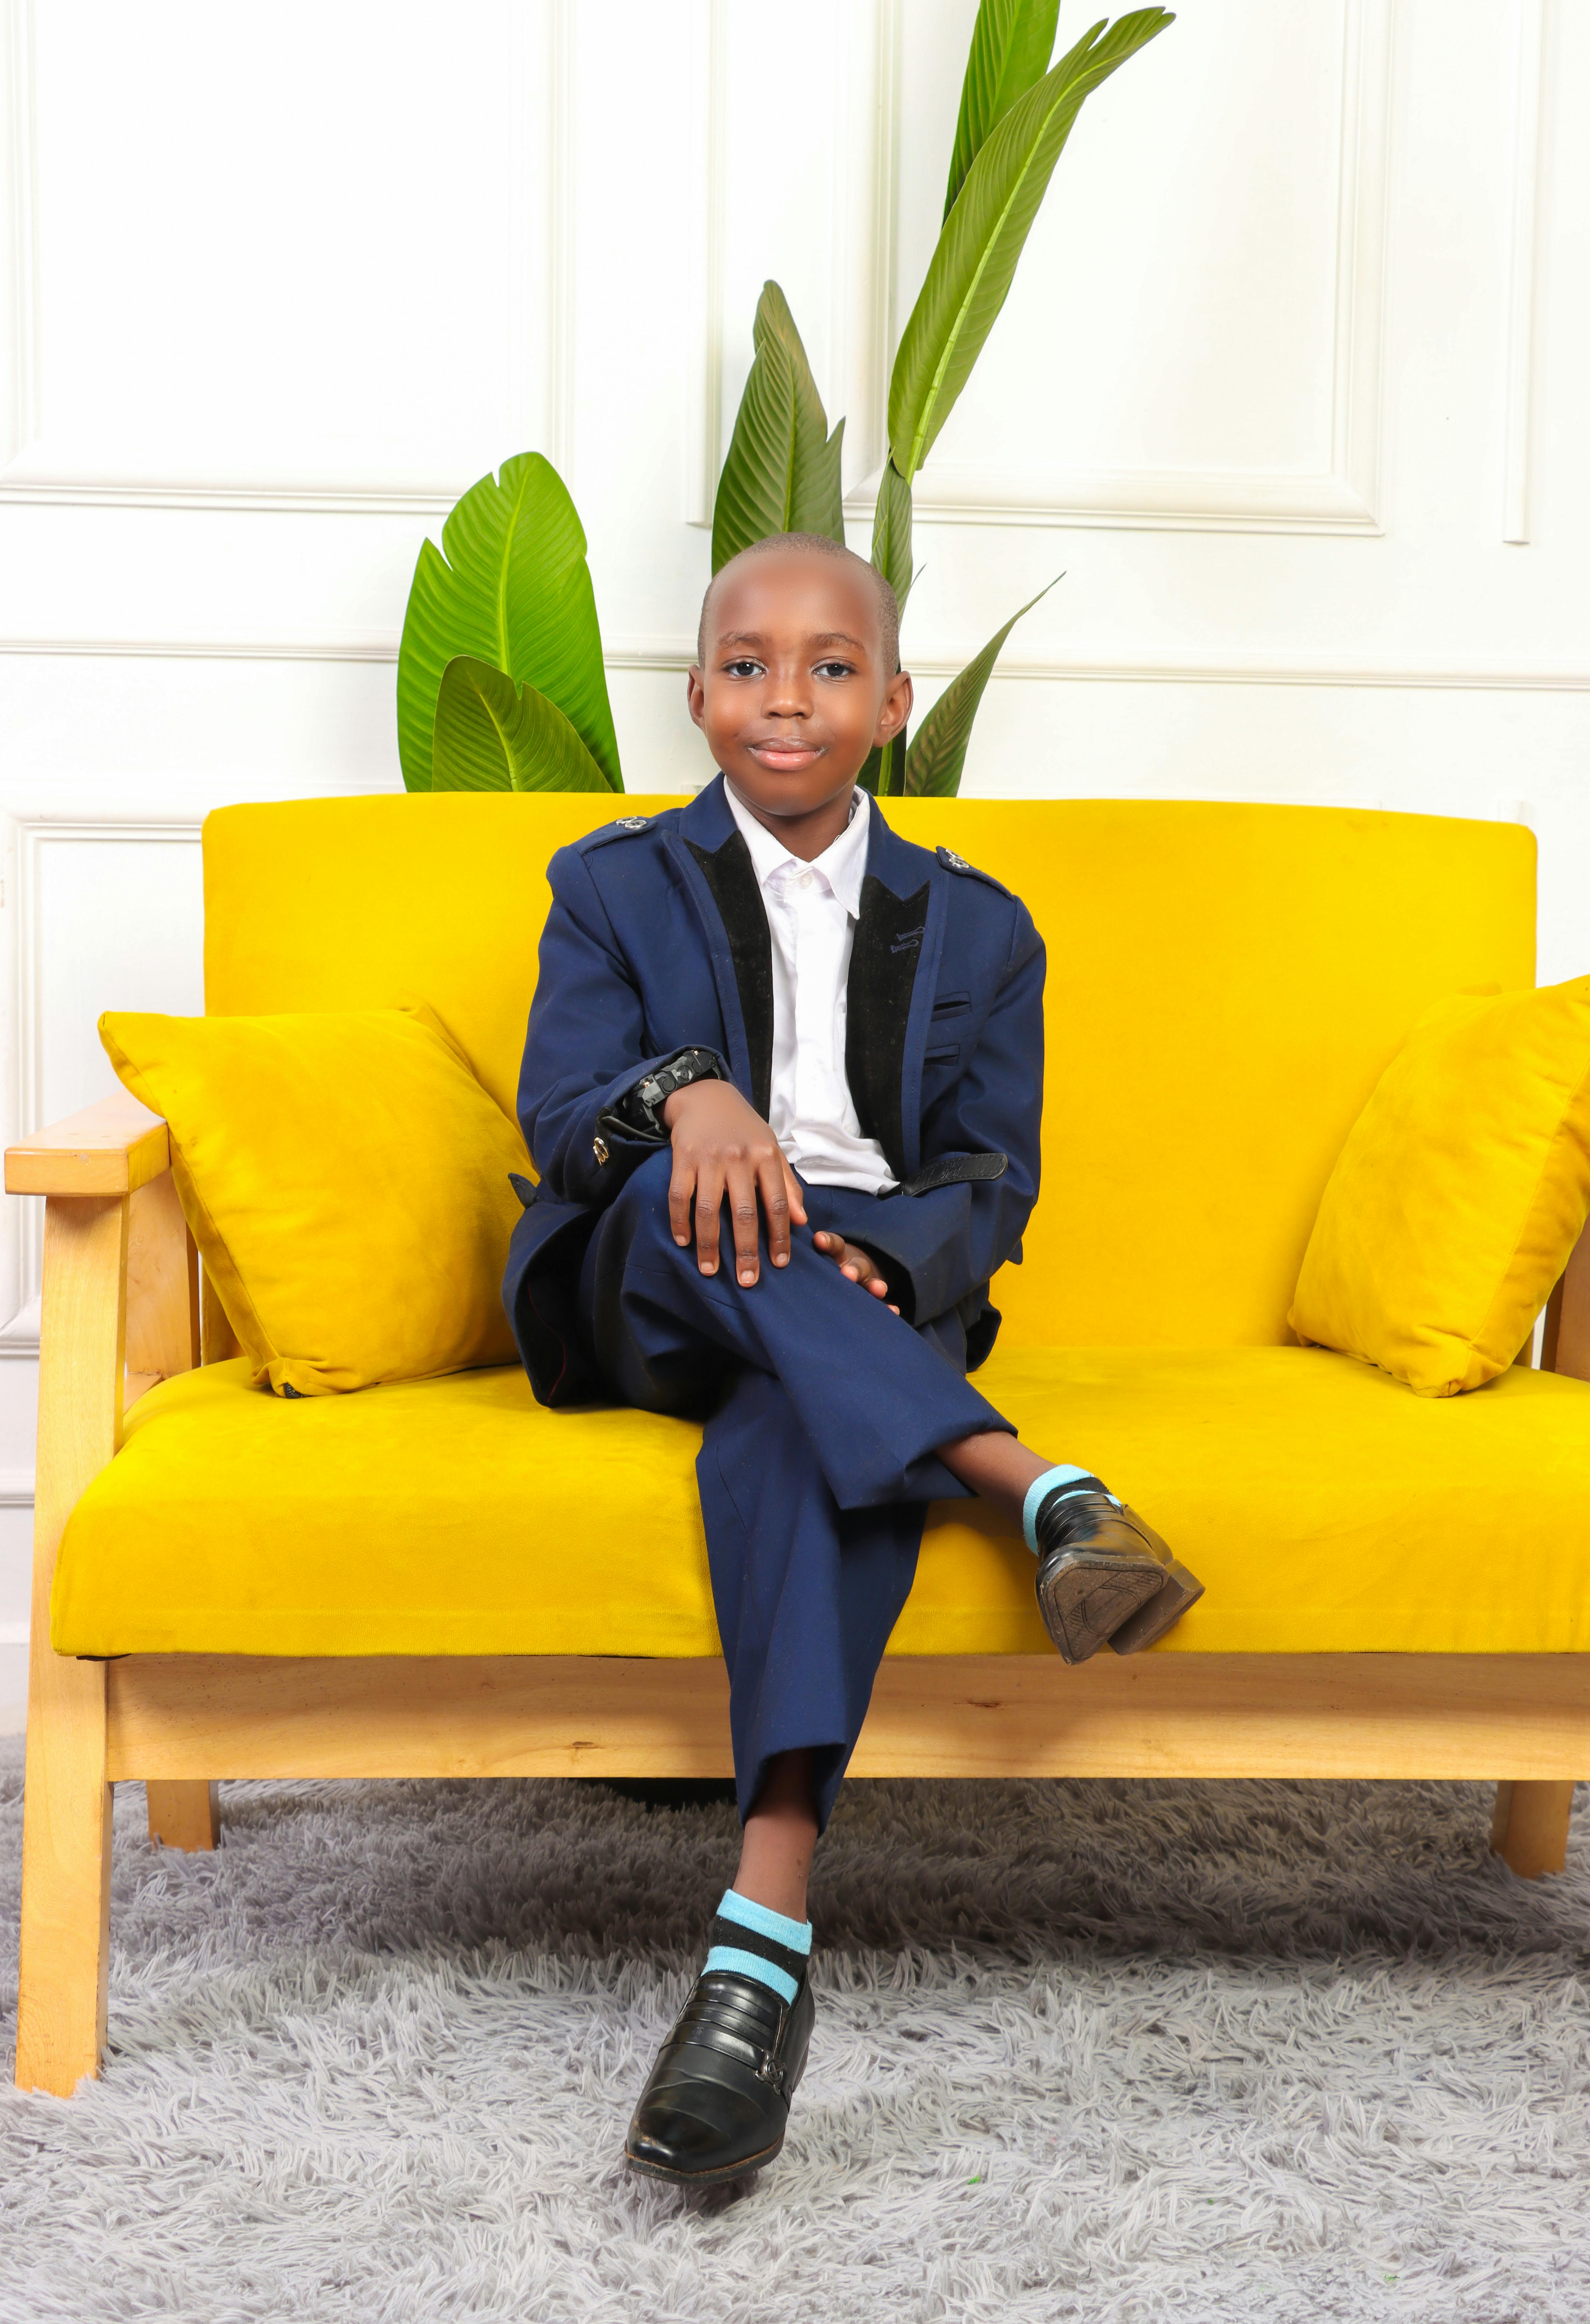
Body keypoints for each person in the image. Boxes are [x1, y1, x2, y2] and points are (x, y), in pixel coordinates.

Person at [503, 532, 1202, 2186]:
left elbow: (988, 1180)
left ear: (890, 702)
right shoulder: (607, 887)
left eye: (829, 666)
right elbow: (554, 1121)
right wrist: (693, 1097)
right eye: (745, 664)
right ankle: (1025, 1483)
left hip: (863, 1311)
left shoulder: (979, 927)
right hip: (652, 1279)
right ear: (693, 697)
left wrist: (867, 1255)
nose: (784, 697)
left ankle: (759, 1941)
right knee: (711, 1201)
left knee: (793, 1426)